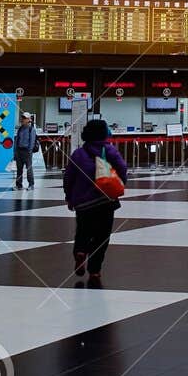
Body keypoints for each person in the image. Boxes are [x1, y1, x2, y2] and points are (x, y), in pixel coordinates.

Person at [63, 118, 128, 280]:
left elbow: (68, 177)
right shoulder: (110, 151)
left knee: (83, 231)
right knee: (102, 236)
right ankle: (94, 270)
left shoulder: (78, 154)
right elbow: (122, 168)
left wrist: (69, 197)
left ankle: (80, 251)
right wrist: (119, 183)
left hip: (83, 204)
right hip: (105, 201)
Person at [13, 112, 38, 189]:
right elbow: (17, 140)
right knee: (19, 169)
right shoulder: (20, 129)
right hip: (19, 151)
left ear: (28, 120)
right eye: (22, 118)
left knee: (29, 169)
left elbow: (32, 142)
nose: (22, 119)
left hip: (27, 152)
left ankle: (31, 184)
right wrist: (15, 151)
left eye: (24, 118)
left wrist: (29, 151)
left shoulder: (31, 129)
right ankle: (19, 185)